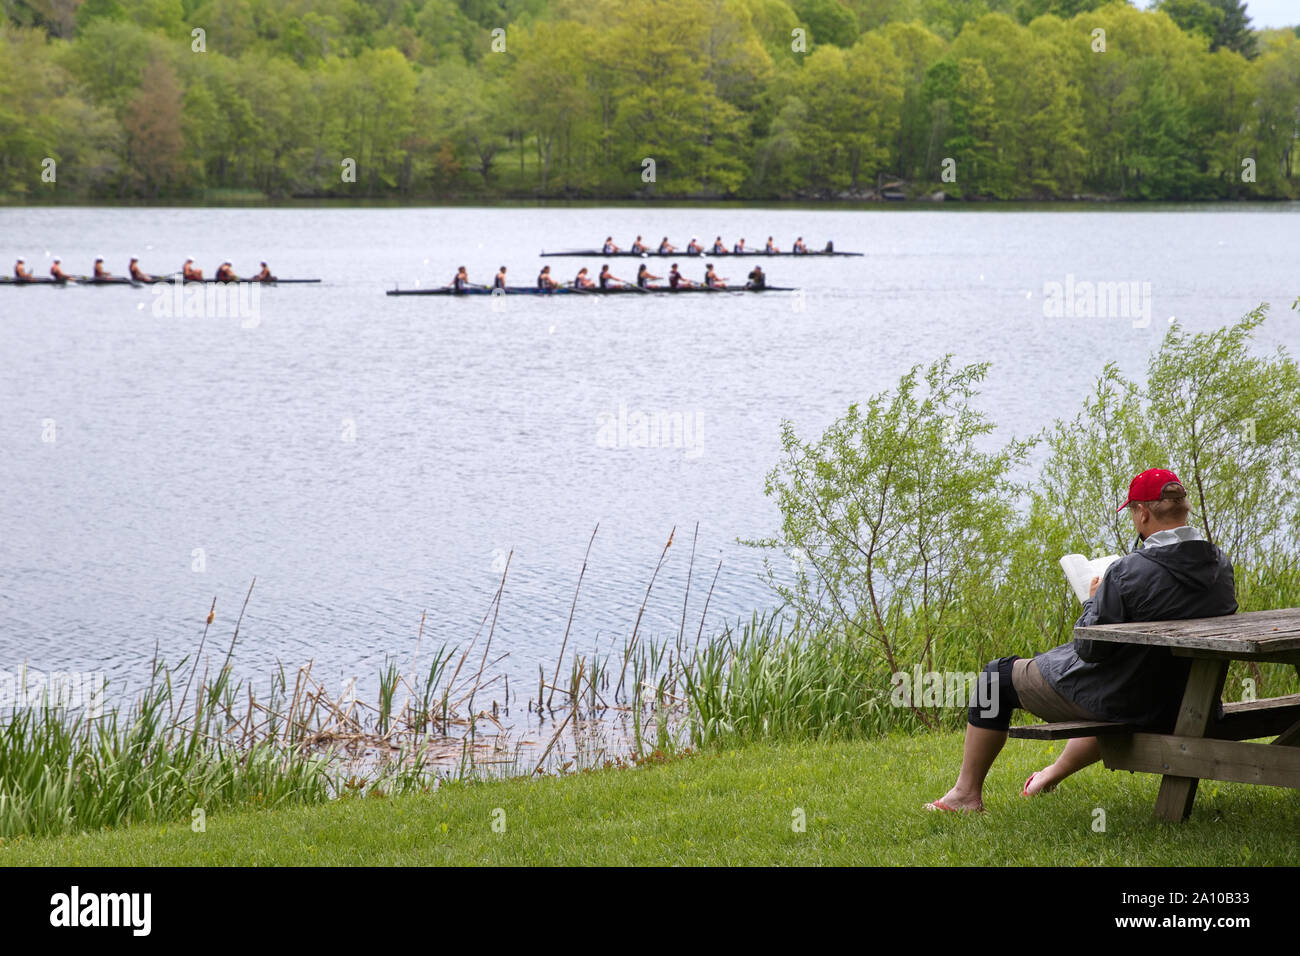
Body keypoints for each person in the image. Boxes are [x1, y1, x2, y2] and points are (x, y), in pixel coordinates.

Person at [925, 469, 1237, 813]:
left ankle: (965, 796)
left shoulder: (1128, 571)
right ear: (1184, 511)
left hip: (1131, 702)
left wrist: (1094, 599)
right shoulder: (1220, 564)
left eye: (1133, 513)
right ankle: (1048, 776)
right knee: (1119, 685)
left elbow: (1091, 649)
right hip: (1189, 701)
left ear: (1142, 513)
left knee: (995, 679)